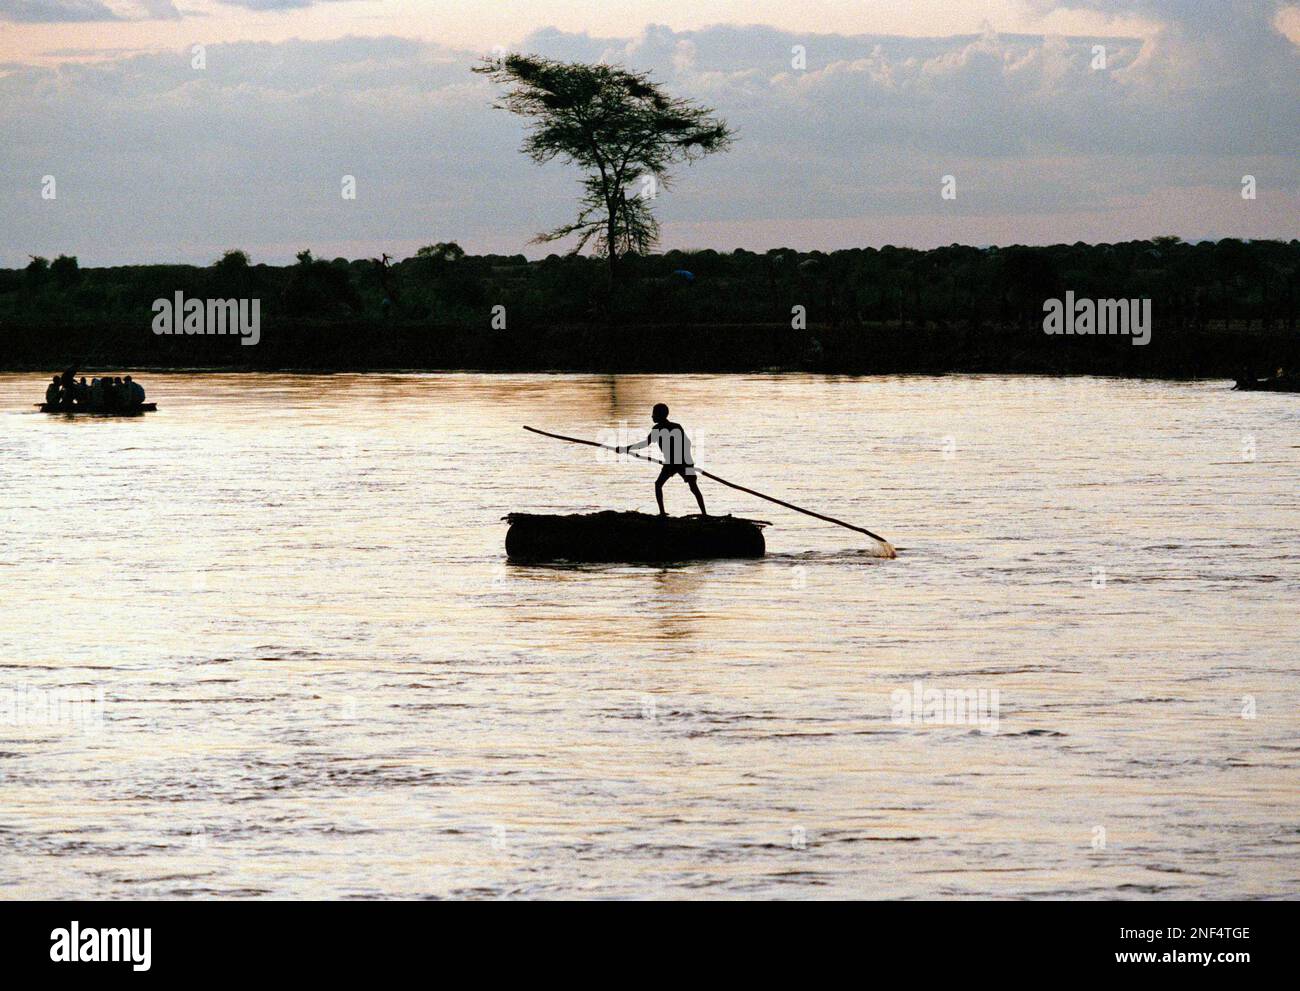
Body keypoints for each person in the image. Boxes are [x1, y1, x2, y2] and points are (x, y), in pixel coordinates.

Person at [617, 403, 708, 517]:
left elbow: (645, 443)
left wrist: (625, 449)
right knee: (692, 487)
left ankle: (663, 513)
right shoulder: (676, 426)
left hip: (679, 463)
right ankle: (703, 514)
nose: (652, 416)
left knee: (661, 485)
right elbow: (687, 444)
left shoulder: (658, 429)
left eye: (654, 414)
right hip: (682, 462)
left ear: (659, 415)